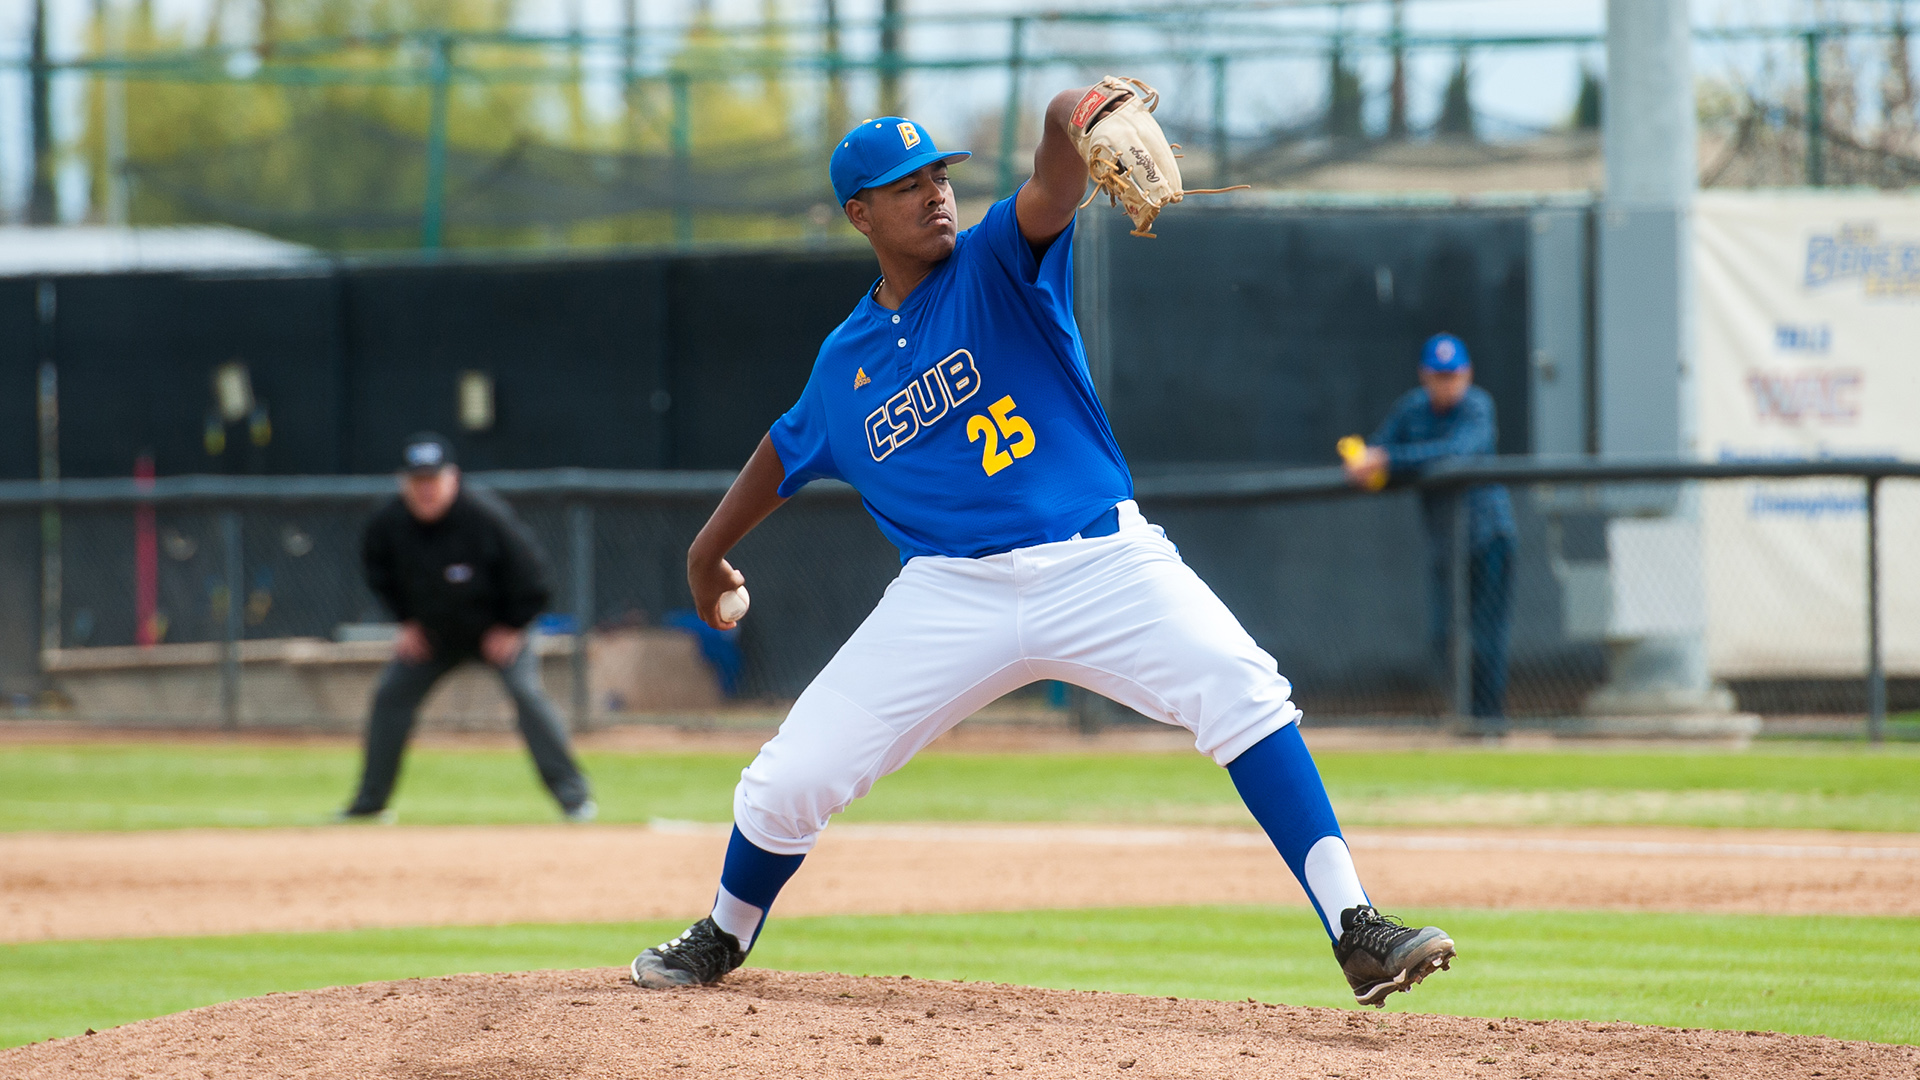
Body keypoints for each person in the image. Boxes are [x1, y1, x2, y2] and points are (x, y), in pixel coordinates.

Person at [625, 88, 1455, 1009]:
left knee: (1241, 685)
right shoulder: (844, 362)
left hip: (1101, 563)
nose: (934, 193)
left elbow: (1053, 180)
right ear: (859, 213)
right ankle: (724, 934)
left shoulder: (997, 262)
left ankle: (1356, 926)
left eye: (939, 173)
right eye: (906, 185)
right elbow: (785, 451)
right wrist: (707, 552)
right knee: (791, 776)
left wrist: (1076, 110)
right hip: (948, 595)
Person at [340, 433, 596, 823]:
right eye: (417, 481)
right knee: (391, 696)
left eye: (433, 479)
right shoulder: (387, 523)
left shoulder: (485, 517)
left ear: (453, 478)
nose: (425, 489)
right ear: (402, 482)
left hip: (497, 633)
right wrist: (405, 622)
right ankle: (370, 804)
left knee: (527, 694)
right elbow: (379, 575)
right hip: (434, 638)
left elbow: (536, 581)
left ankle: (574, 797)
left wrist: (511, 627)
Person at [1344, 333, 1517, 729]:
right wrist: (1366, 462)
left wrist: (1389, 460)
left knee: (1487, 635)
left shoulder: (1477, 406)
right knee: (1443, 635)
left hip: (1489, 535)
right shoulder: (1412, 409)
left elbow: (1456, 454)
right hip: (1446, 540)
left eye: (1454, 375)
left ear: (1467, 374)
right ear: (1425, 376)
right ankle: (1462, 713)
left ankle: (1487, 721)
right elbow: (1379, 451)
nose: (1447, 383)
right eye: (1440, 376)